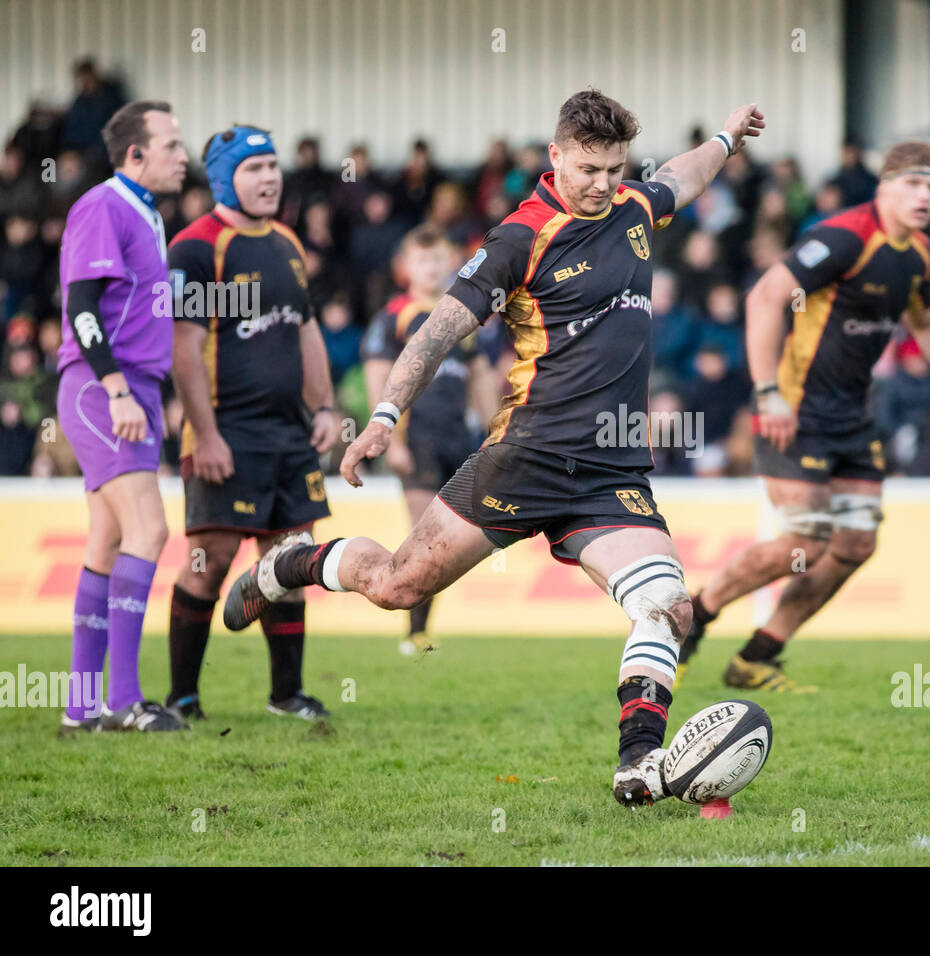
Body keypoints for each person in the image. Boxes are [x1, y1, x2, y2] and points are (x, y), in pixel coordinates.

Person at [222, 90, 764, 807]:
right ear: (556, 156)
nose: (603, 183)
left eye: (616, 168)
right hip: (526, 456)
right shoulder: (520, 238)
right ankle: (295, 563)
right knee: (395, 586)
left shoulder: (635, 206)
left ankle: (638, 763)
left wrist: (725, 139)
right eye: (589, 168)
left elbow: (685, 177)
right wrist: (385, 413)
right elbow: (440, 330)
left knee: (668, 604)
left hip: (611, 471)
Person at [677, 142, 930, 690]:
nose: (925, 197)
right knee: (805, 541)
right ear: (885, 187)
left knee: (855, 544)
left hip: (851, 415)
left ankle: (758, 655)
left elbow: (928, 320)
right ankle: (693, 617)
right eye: (913, 185)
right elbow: (764, 298)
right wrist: (768, 390)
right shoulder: (844, 236)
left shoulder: (916, 253)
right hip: (794, 409)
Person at [164, 126, 337, 721]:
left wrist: (324, 408)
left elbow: (305, 327)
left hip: (290, 434)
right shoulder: (194, 247)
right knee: (209, 563)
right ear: (223, 179)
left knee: (288, 562)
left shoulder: (288, 241)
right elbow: (183, 348)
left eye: (273, 165)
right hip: (226, 435)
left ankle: (285, 696)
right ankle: (183, 697)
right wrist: (206, 434)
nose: (269, 177)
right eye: (253, 167)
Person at [55, 101, 189, 733]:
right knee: (150, 531)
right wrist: (114, 387)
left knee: (107, 541)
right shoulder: (104, 206)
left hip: (128, 387)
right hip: (102, 389)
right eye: (171, 144)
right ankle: (124, 701)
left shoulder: (145, 213)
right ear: (135, 155)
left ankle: (83, 704)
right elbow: (81, 307)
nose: (182, 154)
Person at [361, 224, 500, 655]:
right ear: (406, 267)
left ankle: (421, 629)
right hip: (416, 438)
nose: (432, 267)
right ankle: (414, 631)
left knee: (447, 540)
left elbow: (477, 375)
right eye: (423, 260)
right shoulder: (396, 316)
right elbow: (377, 374)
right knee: (424, 536)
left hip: (457, 438)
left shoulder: (461, 314)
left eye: (439, 259)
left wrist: (496, 428)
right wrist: (391, 439)